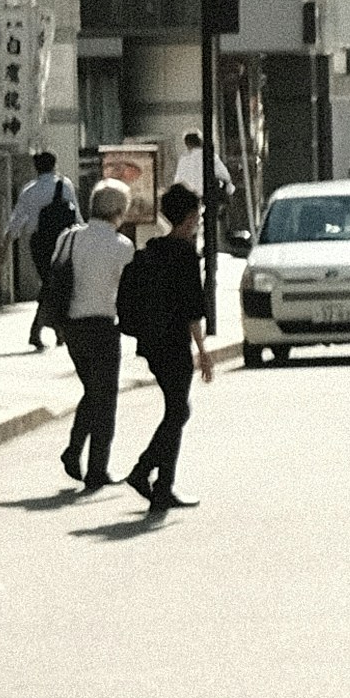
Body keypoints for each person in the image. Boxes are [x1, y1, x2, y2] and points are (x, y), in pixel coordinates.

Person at [118, 181, 216, 516]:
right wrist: (202, 351)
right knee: (178, 411)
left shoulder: (153, 249)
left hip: (151, 342)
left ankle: (160, 485)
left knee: (176, 409)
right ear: (189, 217)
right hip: (174, 341)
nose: (198, 222)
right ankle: (147, 474)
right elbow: (192, 307)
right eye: (197, 216)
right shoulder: (185, 253)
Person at [55, 175, 135, 491]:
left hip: (71, 324)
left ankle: (74, 451)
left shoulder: (69, 238)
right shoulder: (122, 246)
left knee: (92, 390)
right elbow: (129, 290)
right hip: (103, 325)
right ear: (118, 211)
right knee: (105, 397)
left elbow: (55, 272)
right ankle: (95, 467)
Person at [9, 146, 78, 352]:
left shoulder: (29, 190)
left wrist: (4, 246)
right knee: (54, 285)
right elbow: (76, 215)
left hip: (38, 244)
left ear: (36, 168)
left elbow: (16, 220)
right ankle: (41, 330)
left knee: (49, 284)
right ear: (54, 165)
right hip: (62, 241)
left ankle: (53, 330)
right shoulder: (65, 186)